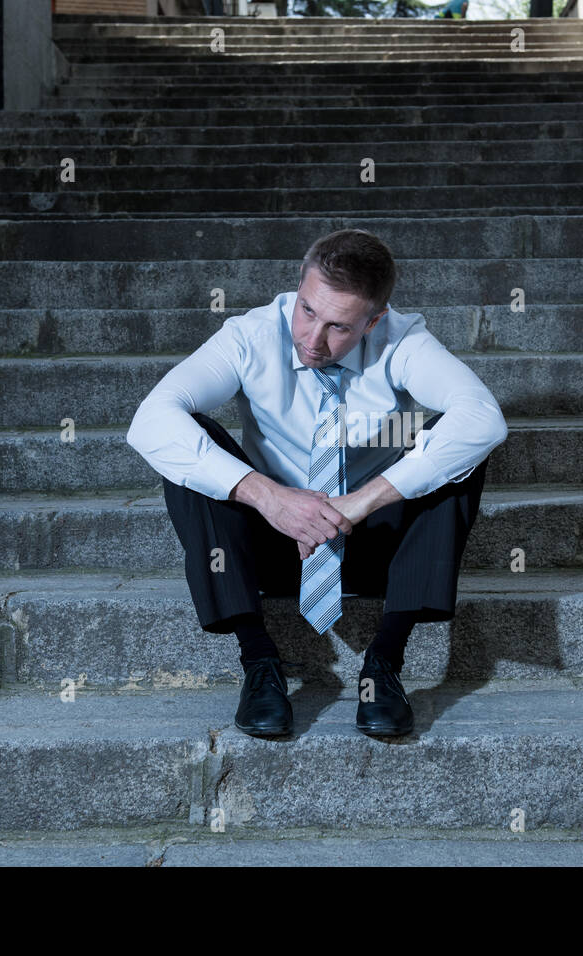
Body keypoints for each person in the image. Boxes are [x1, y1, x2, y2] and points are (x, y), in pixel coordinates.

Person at [126, 229, 507, 738]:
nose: (312, 339)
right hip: (272, 546)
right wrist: (269, 497)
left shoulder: (401, 337)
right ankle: (259, 661)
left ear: (373, 321)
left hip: (372, 546)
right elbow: (149, 420)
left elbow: (483, 418)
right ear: (298, 288)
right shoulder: (251, 335)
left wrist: (358, 504)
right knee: (191, 442)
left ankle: (385, 662)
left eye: (339, 327)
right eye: (306, 310)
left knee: (455, 446)